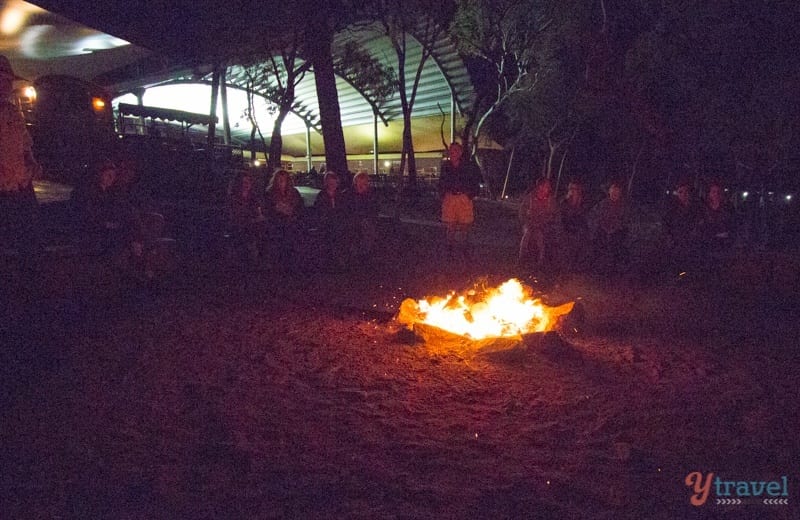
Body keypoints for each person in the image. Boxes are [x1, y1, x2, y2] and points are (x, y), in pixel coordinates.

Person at [0, 55, 43, 274]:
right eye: (3, 80)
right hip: (3, 191)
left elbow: (25, 146)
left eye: (9, 81)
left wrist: (32, 164)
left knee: (31, 243)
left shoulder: (12, 112)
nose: (7, 86)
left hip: (21, 188)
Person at [80, 160, 144, 269]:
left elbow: (122, 210)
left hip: (109, 226)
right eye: (108, 175)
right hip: (94, 230)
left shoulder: (111, 193)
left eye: (113, 175)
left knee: (132, 217)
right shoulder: (87, 192)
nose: (111, 178)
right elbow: (89, 216)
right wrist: (108, 224)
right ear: (99, 174)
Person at [438, 142, 482, 262]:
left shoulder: (467, 166)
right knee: (450, 227)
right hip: (450, 198)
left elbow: (475, 181)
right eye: (452, 151)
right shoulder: (446, 166)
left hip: (463, 198)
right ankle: (450, 252)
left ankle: (464, 251)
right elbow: (441, 182)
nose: (454, 153)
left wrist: (470, 195)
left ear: (461, 152)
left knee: (465, 226)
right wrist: (443, 194)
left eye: (456, 150)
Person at [264, 168, 304, 267]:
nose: (282, 182)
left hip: (292, 223)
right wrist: (278, 210)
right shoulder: (270, 194)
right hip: (277, 224)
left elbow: (300, 208)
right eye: (279, 180)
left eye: (284, 180)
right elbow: (267, 210)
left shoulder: (294, 193)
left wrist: (292, 213)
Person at [518, 177, 559, 271]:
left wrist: (545, 221)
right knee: (527, 233)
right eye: (546, 186)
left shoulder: (550, 200)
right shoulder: (530, 197)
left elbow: (553, 215)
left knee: (540, 236)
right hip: (529, 224)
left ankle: (541, 260)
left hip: (543, 225)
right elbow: (522, 211)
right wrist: (526, 221)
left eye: (548, 186)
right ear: (540, 187)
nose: (548, 188)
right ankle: (521, 257)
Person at [591, 180, 630, 276]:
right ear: (609, 191)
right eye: (612, 190)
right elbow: (594, 217)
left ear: (620, 193)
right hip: (602, 233)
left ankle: (612, 271)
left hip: (616, 235)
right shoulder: (602, 204)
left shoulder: (623, 207)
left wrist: (616, 229)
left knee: (616, 249)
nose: (614, 193)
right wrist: (600, 228)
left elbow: (625, 222)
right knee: (599, 246)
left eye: (617, 191)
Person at [697, 181, 734, 276]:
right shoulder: (705, 209)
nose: (716, 194)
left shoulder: (728, 207)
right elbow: (702, 224)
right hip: (708, 241)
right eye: (713, 192)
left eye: (718, 192)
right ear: (709, 194)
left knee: (722, 267)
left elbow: (731, 224)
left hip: (724, 242)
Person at [227, 171, 265, 264]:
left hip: (252, 226)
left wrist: (258, 217)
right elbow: (234, 216)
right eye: (244, 182)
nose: (246, 184)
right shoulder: (233, 198)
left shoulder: (254, 197)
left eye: (248, 181)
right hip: (237, 227)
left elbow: (258, 213)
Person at [663, 178, 699, 272]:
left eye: (686, 192)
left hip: (692, 243)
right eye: (681, 192)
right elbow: (667, 225)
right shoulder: (672, 209)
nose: (684, 194)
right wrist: (670, 238)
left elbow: (699, 225)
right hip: (676, 243)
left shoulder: (697, 209)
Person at [313, 171, 348, 268]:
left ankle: (339, 259)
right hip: (326, 222)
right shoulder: (322, 196)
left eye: (334, 183)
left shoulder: (340, 195)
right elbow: (319, 211)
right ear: (326, 183)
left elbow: (343, 210)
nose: (332, 185)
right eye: (330, 183)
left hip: (338, 222)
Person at [344, 172, 380, 262]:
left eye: (364, 183)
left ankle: (365, 253)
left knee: (367, 227)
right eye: (360, 182)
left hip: (365, 220)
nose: (362, 185)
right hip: (352, 220)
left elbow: (374, 209)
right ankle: (356, 254)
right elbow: (346, 210)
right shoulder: (348, 194)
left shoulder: (370, 195)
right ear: (355, 182)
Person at [559, 180, 591, 273]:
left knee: (581, 239)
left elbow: (583, 217)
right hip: (566, 227)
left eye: (575, 189)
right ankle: (566, 266)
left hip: (578, 228)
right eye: (571, 189)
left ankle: (575, 265)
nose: (573, 191)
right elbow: (563, 217)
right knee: (570, 240)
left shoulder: (582, 203)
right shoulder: (564, 202)